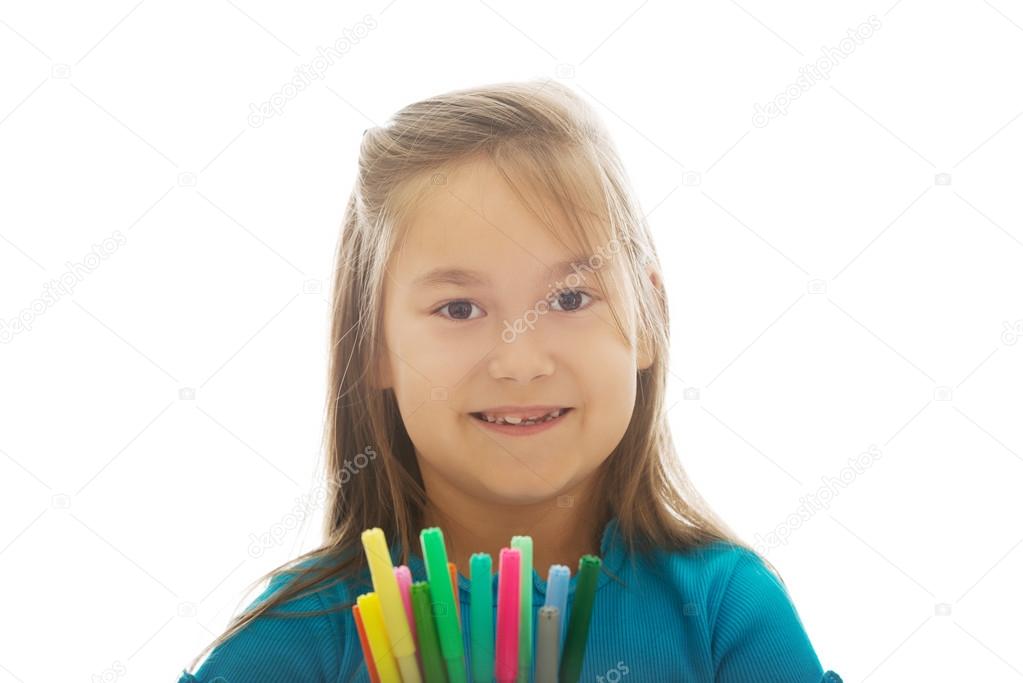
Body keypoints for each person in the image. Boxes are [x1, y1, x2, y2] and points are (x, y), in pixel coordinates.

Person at [178, 79, 841, 682]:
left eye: (570, 299)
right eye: (459, 309)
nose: (520, 361)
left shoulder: (724, 609)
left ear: (647, 319)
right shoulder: (309, 634)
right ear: (372, 345)